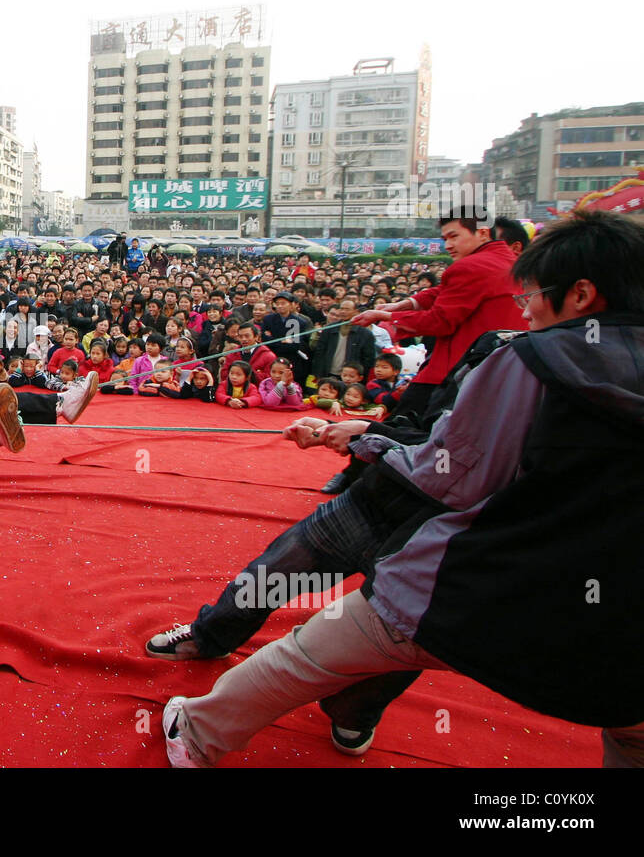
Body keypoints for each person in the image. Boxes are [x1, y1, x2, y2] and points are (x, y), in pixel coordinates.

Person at [156, 211, 644, 768]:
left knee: (325, 623)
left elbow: (453, 470)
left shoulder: (528, 358)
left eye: (532, 293)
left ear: (580, 294)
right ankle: (351, 714)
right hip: (610, 623)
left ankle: (200, 725)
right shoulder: (505, 314)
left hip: (464, 554)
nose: (524, 305)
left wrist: (367, 440)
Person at [352, 206, 526, 419]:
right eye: (445, 238)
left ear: (482, 233)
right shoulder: (514, 261)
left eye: (454, 237)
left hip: (457, 370)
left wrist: (386, 317)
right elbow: (445, 291)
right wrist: (403, 304)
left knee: (402, 432)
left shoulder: (470, 266)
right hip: (502, 371)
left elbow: (439, 321)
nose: (448, 245)